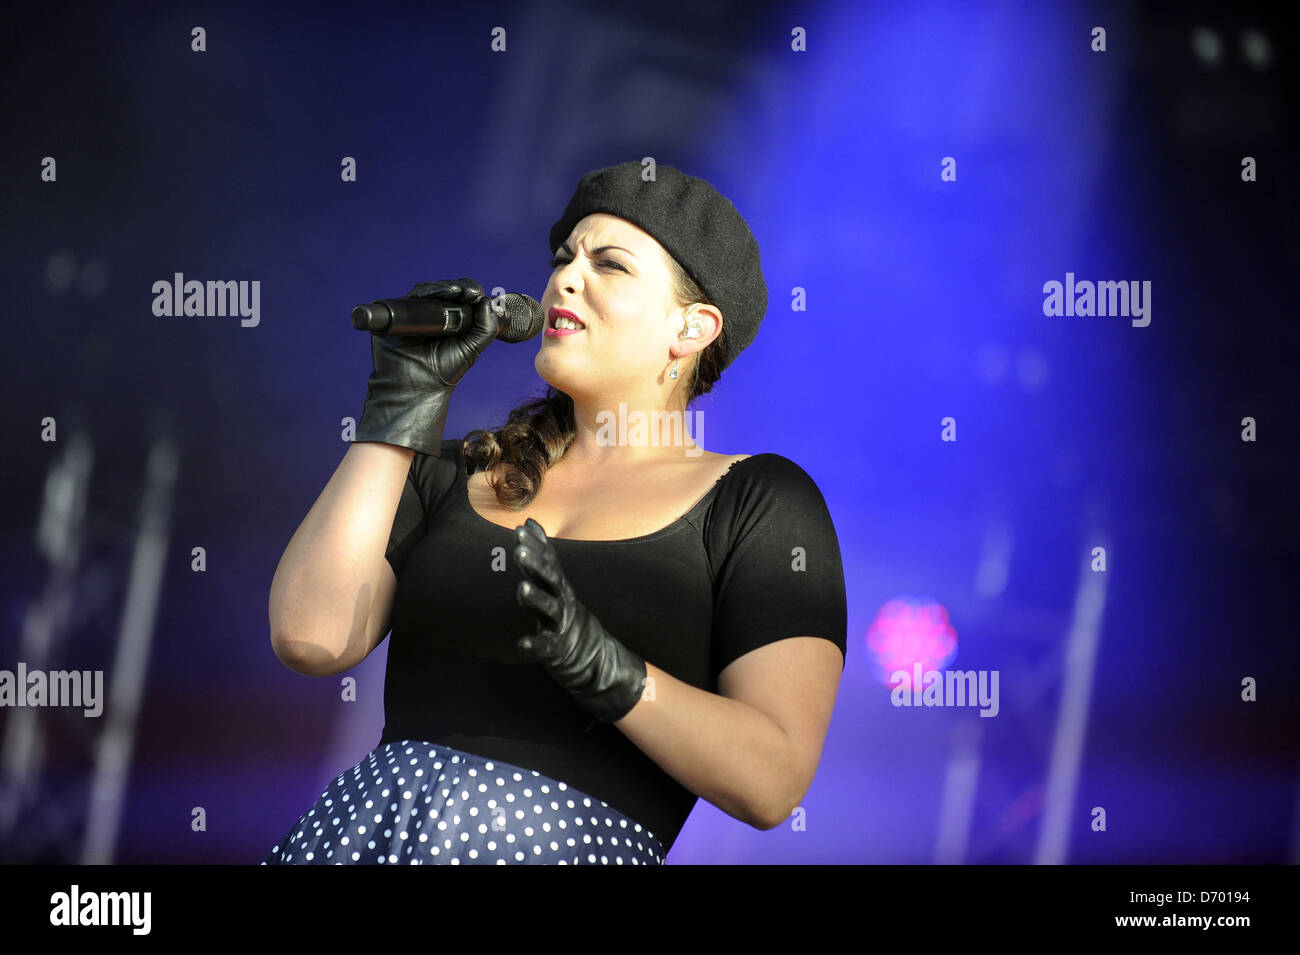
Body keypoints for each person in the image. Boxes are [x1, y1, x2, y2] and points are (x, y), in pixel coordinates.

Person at [262, 161, 848, 865]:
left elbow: (774, 779)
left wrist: (611, 670)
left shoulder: (759, 503)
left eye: (609, 264)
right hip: (368, 838)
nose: (566, 278)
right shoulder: (456, 469)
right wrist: (398, 402)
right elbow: (309, 636)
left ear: (691, 327)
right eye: (563, 258)